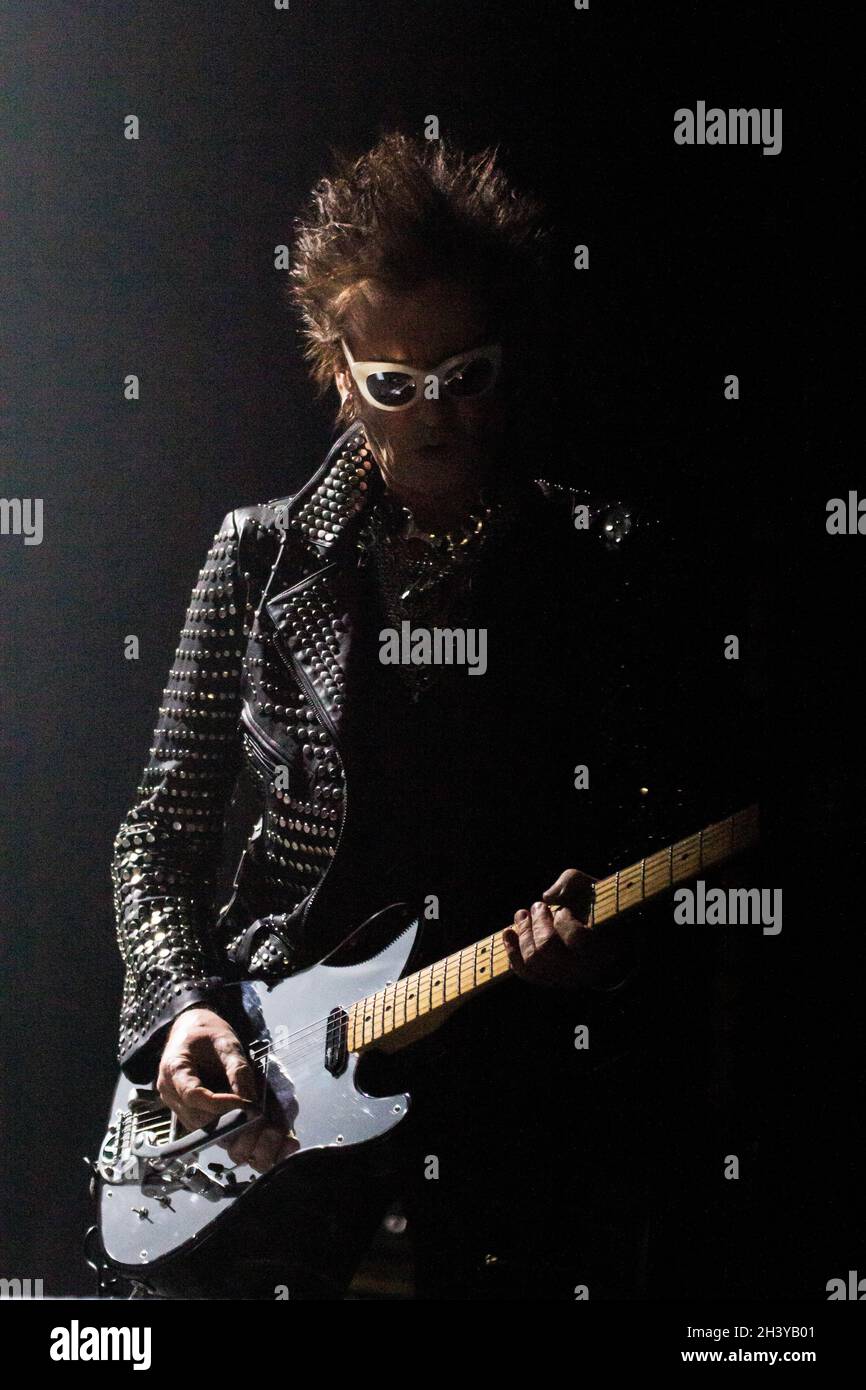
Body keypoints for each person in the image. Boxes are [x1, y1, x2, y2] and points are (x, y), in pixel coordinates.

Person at [109, 132, 758, 1299]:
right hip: (280, 1077)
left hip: (523, 1105)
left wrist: (604, 955)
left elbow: (662, 832)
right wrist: (188, 1014)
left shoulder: (603, 560)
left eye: (466, 376)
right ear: (337, 368)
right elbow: (158, 831)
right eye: (394, 386)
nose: (435, 415)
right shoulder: (256, 555)